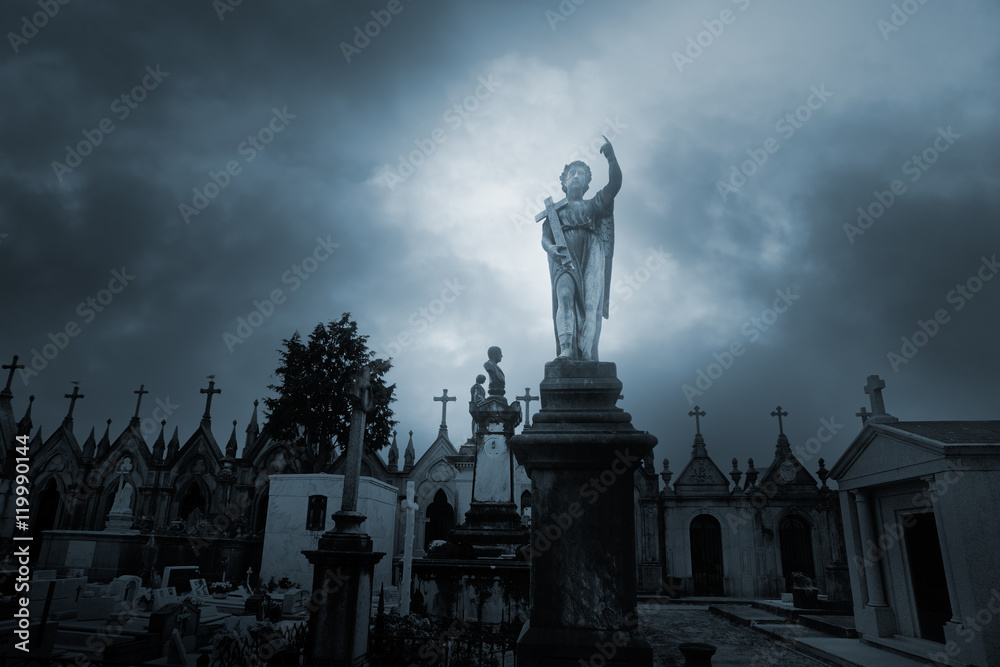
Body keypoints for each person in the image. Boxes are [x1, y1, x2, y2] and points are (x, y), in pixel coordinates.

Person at [541, 137, 621, 361]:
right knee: (564, 295)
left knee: (590, 304)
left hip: (591, 253)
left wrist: (612, 159)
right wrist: (551, 249)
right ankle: (566, 348)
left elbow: (614, 186)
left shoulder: (593, 205)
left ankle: (586, 352)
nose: (576, 176)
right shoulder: (554, 212)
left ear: (586, 184)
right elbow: (545, 237)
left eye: (581, 174)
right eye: (572, 173)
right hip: (564, 255)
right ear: (564, 182)